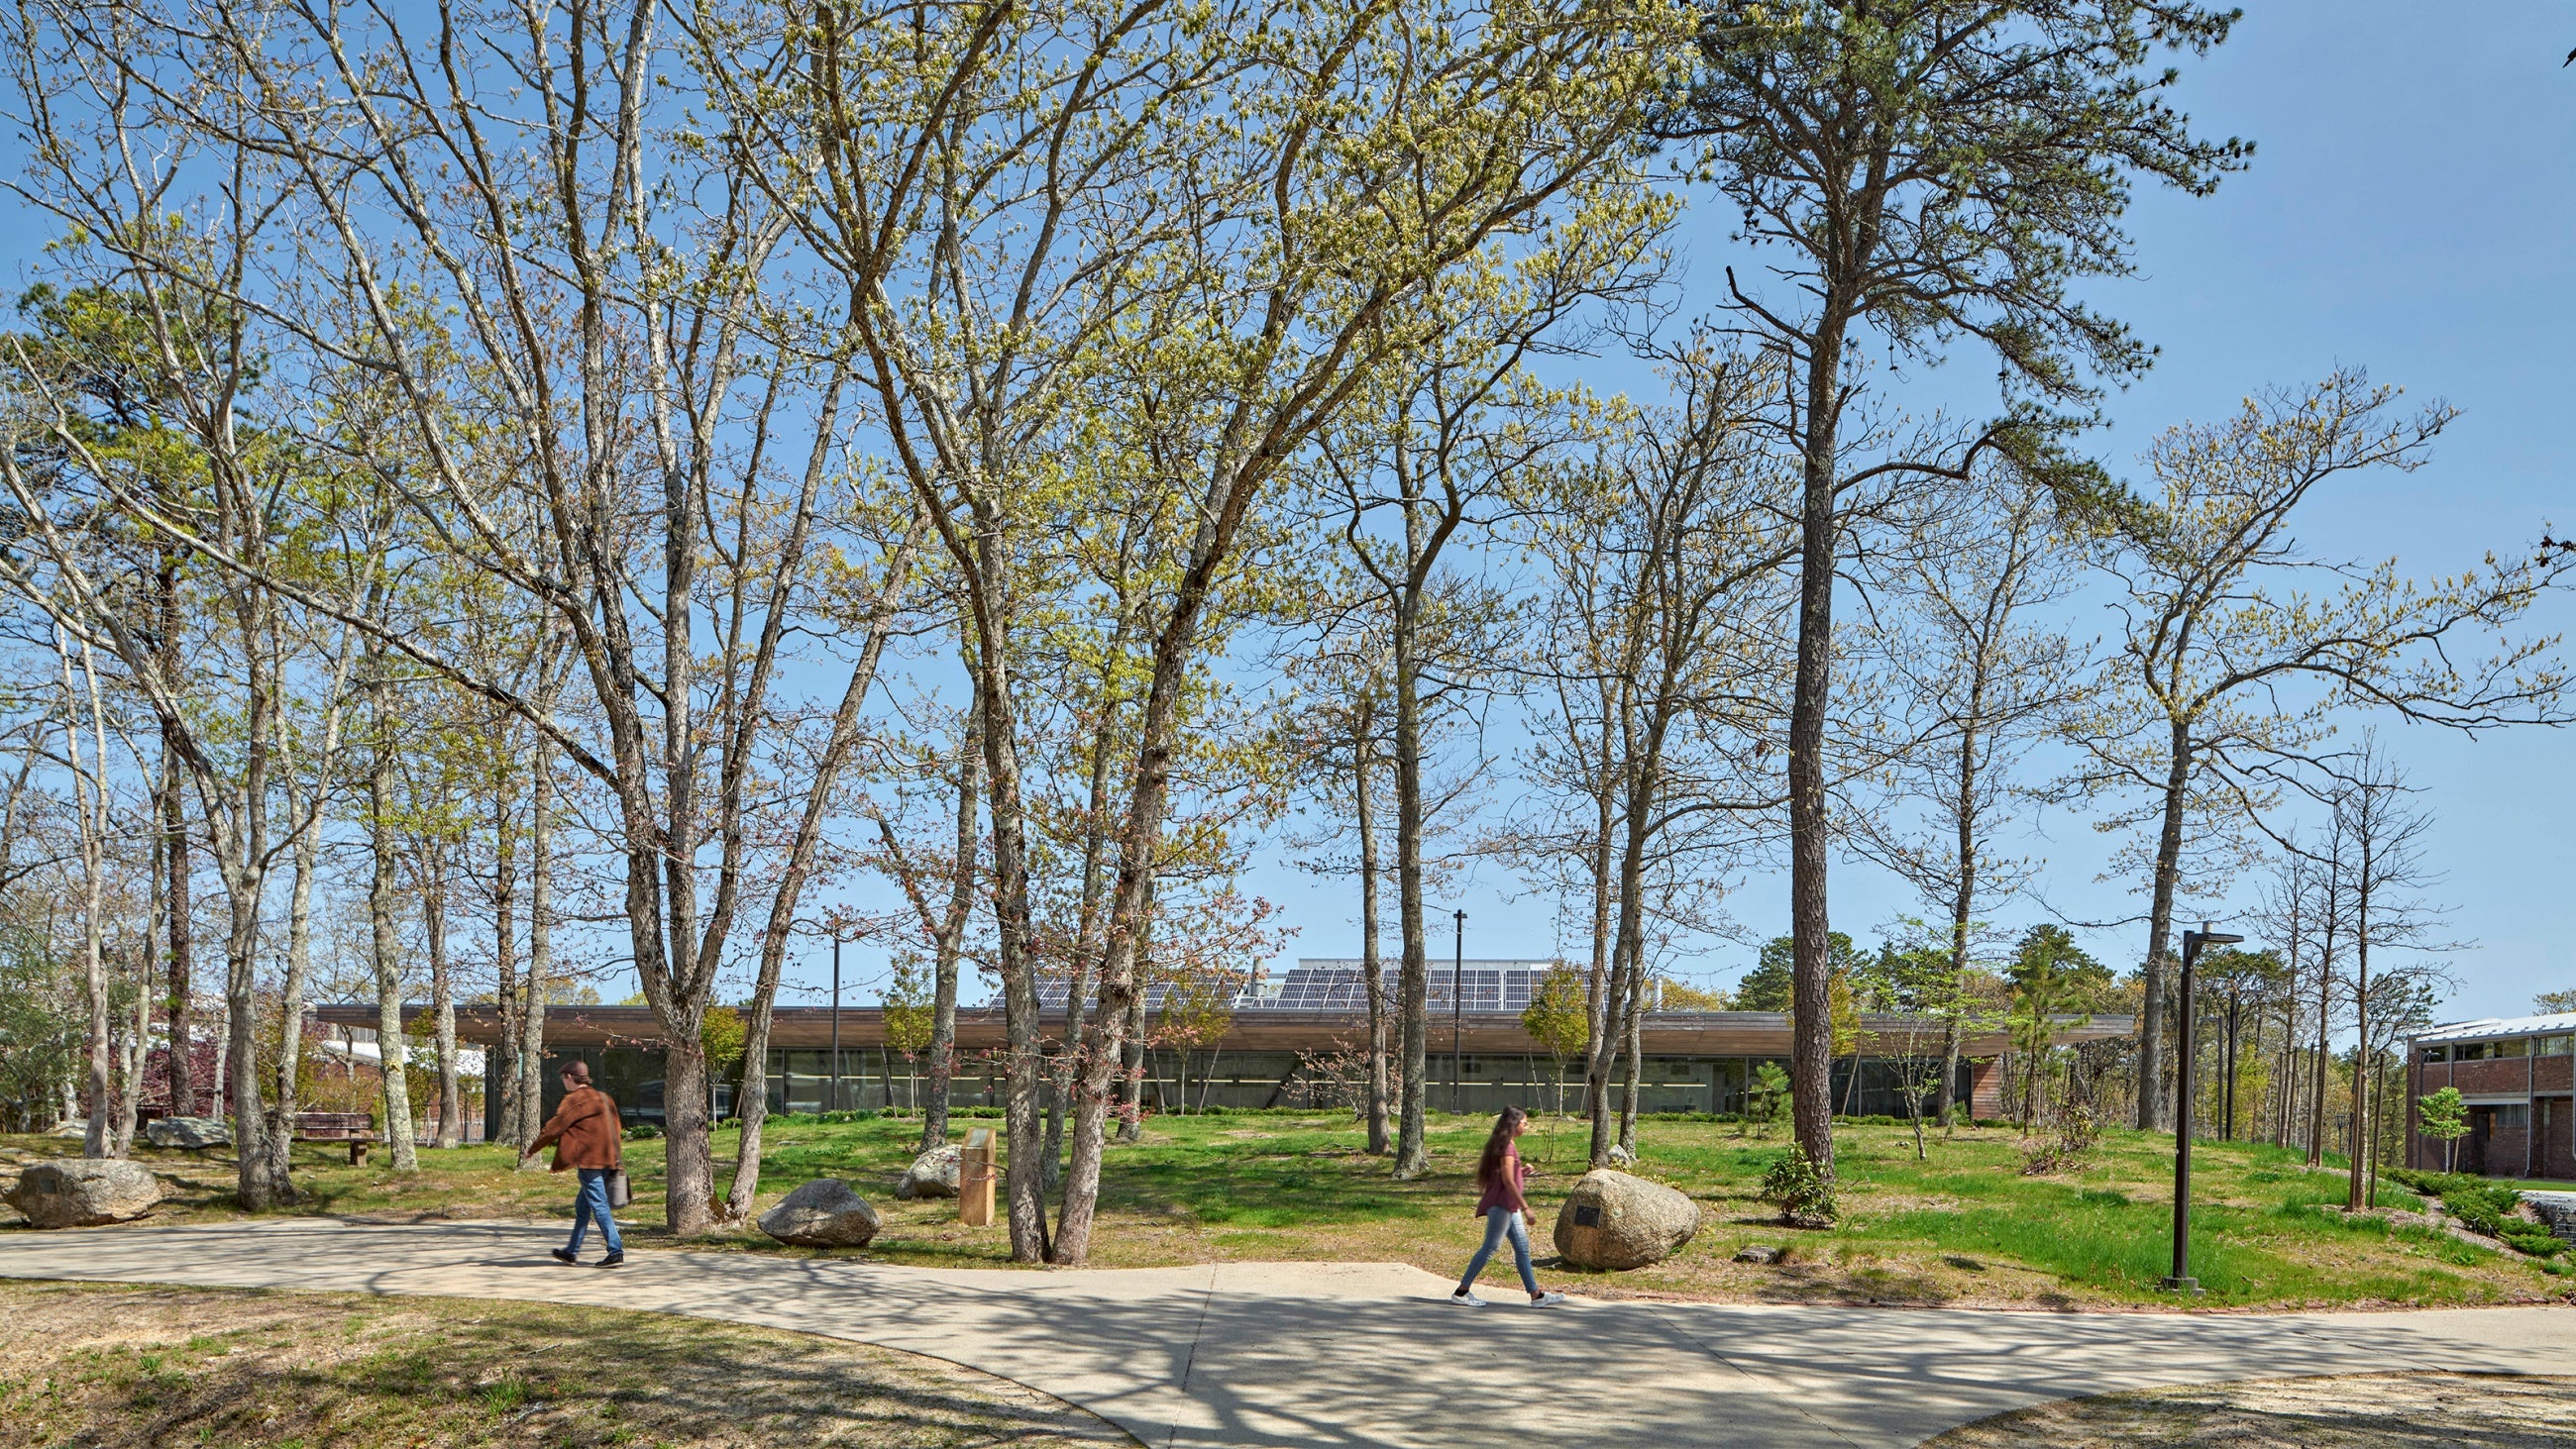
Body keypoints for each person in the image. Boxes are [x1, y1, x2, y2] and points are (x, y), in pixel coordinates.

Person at [1451, 1105, 1564, 1307]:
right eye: (1524, 1123)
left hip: (1508, 1206)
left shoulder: (1507, 1145)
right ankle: (1461, 1292)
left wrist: (1521, 1172)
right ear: (1514, 1124)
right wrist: (1526, 1207)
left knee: (1522, 1249)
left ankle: (1536, 1295)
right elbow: (1508, 1181)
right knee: (1490, 1247)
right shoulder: (1507, 1147)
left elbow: (1508, 1176)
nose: (1526, 1126)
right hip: (1502, 1206)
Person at [522, 1060, 624, 1267]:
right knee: (582, 1206)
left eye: (563, 1078)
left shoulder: (574, 1100)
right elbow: (616, 1127)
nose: (563, 1082)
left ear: (569, 1077)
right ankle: (571, 1251)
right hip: (608, 1159)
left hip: (590, 1162)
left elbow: (553, 1127)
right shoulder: (604, 1098)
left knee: (599, 1205)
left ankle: (615, 1251)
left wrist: (532, 1149)